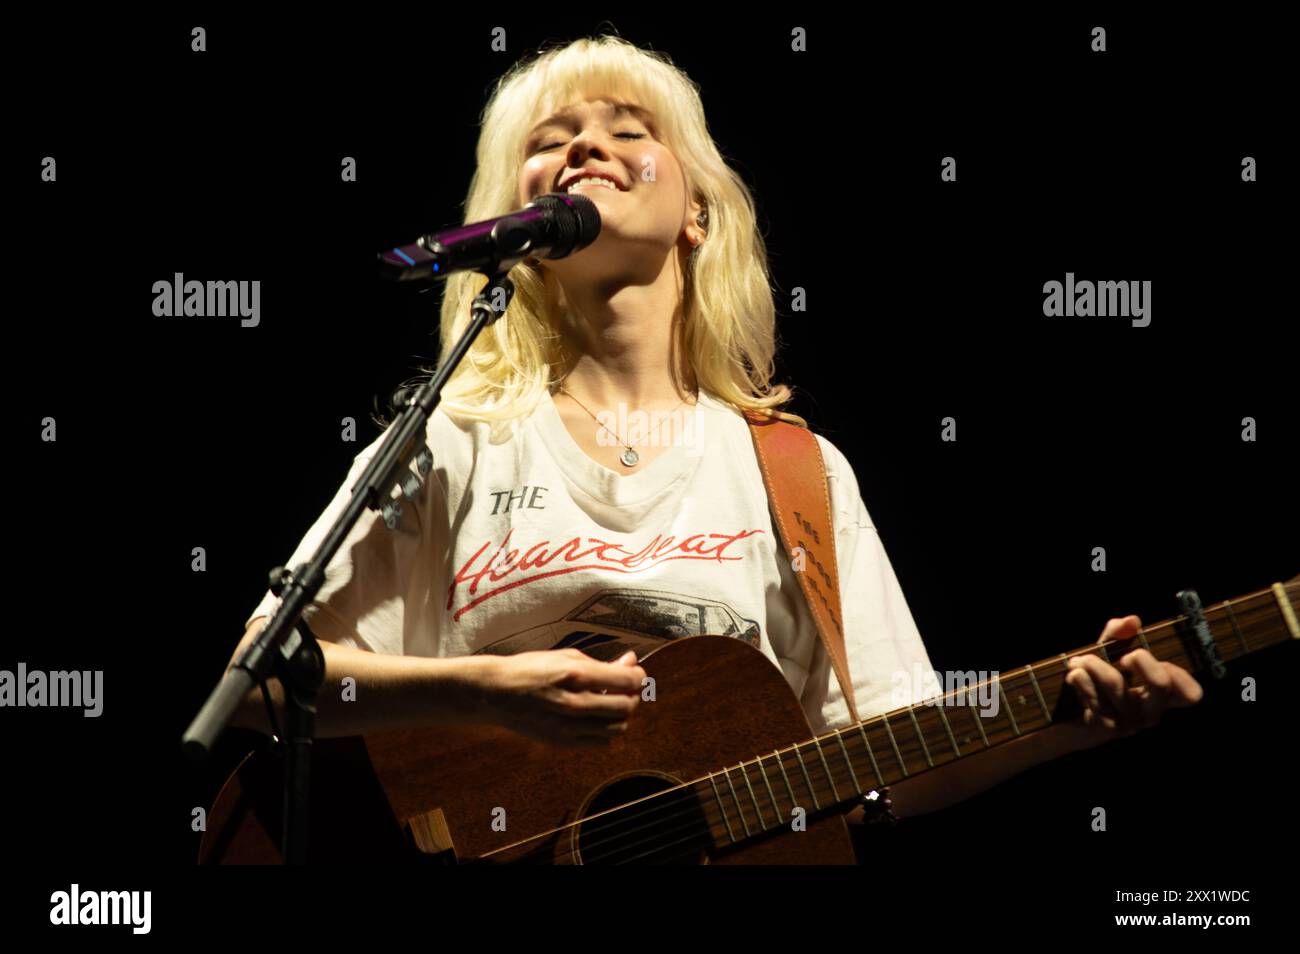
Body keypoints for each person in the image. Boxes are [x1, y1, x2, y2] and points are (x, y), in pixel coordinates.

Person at [226, 34, 1202, 840]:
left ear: (694, 209)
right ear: (512, 223)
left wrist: (1062, 727)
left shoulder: (793, 470)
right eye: (550, 137)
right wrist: (488, 691)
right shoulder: (454, 438)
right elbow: (263, 678)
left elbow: (886, 755)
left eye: (627, 129)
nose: (583, 148)